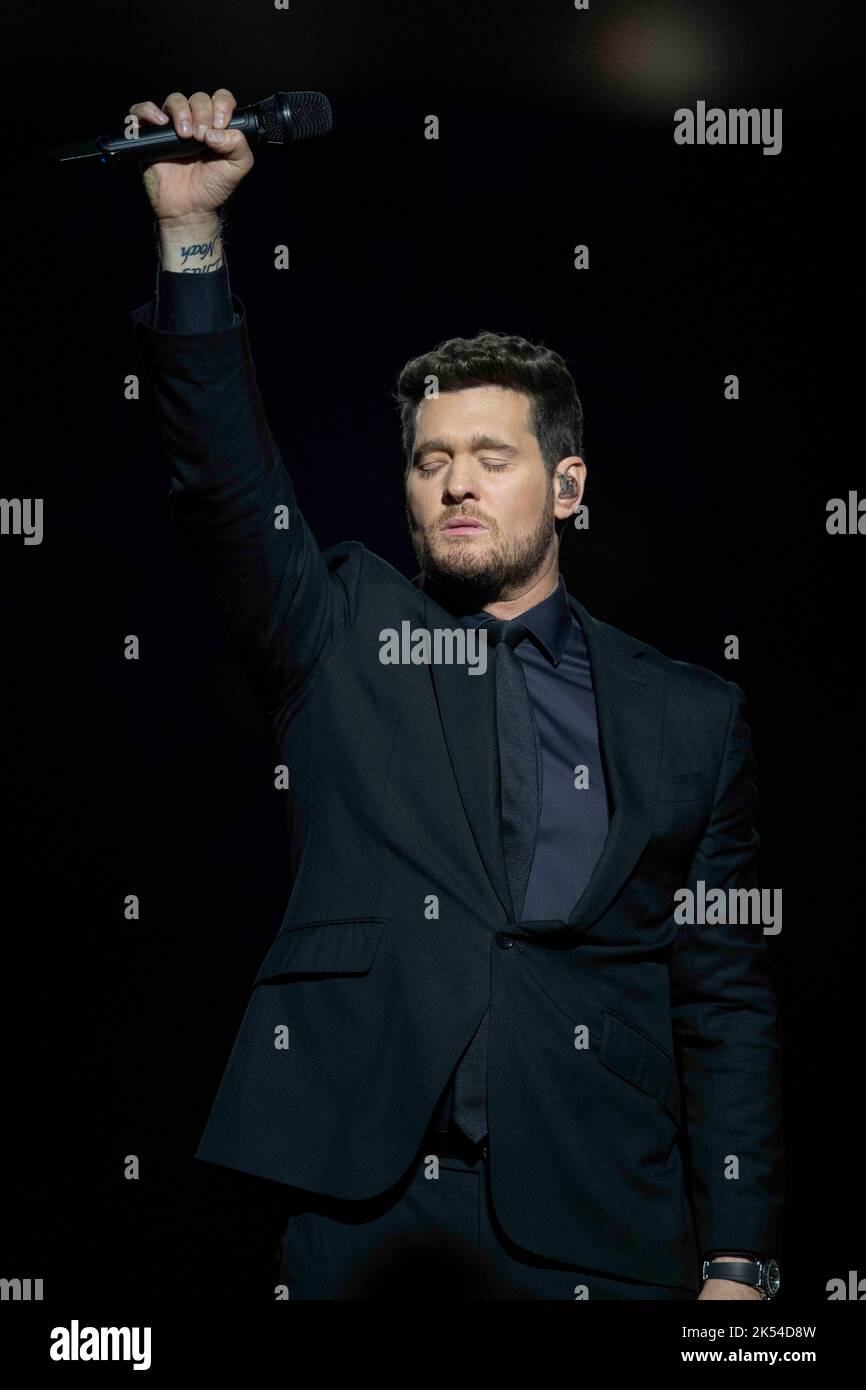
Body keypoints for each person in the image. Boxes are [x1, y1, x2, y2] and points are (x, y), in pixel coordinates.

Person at [127, 87, 784, 1300]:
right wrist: (191, 238)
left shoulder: (692, 716)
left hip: (599, 1219)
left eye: (492, 455)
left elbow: (724, 995)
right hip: (358, 1210)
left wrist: (738, 1257)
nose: (456, 483)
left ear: (568, 482)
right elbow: (223, 486)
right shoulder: (339, 626)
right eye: (431, 460)